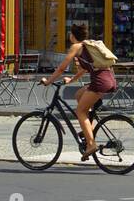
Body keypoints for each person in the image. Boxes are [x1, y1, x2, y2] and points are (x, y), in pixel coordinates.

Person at [40, 24, 117, 161]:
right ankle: (89, 128)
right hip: (108, 78)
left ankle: (91, 144)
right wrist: (71, 80)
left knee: (80, 111)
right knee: (79, 95)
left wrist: (49, 81)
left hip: (100, 81)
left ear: (72, 36)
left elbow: (61, 68)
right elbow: (83, 70)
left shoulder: (76, 47)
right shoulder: (87, 47)